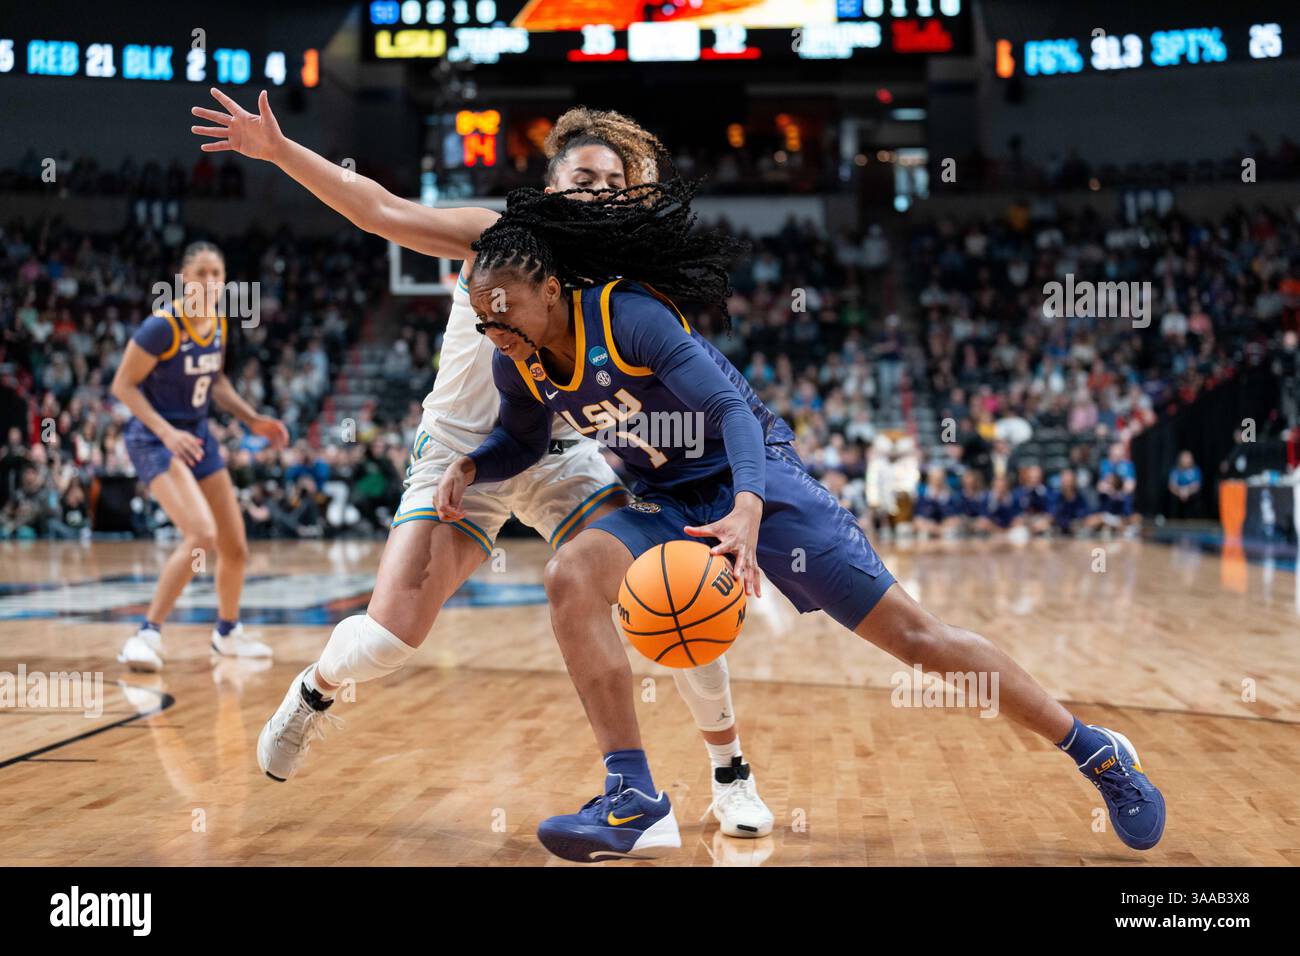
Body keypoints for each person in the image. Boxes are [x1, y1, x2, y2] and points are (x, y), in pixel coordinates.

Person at [436, 181, 1165, 862]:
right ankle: (633, 797)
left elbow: (727, 412)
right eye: (481, 314)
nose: (491, 325)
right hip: (669, 497)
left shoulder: (629, 316)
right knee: (570, 574)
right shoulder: (518, 361)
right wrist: (473, 466)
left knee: (916, 638)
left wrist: (748, 509)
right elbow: (524, 440)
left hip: (758, 476)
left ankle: (1095, 751)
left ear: (553, 290)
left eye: (503, 309)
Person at [192, 90, 773, 838]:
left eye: (608, 181)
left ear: (629, 190)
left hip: (557, 453)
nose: (593, 192)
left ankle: (725, 778)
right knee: (390, 640)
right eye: (579, 179)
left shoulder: (620, 279)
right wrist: (280, 151)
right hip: (461, 456)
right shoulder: (498, 237)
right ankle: (315, 689)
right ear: (551, 185)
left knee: (674, 583)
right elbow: (380, 209)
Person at [112, 241, 289, 671]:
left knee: (235, 546)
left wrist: (251, 419)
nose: (211, 281)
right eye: (202, 273)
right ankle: (146, 634)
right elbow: (123, 387)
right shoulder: (162, 326)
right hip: (155, 439)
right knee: (201, 535)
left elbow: (217, 381)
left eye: (217, 273)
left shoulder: (218, 322)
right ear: (184, 279)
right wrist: (166, 432)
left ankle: (227, 633)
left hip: (197, 436)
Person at [1167, 450, 1202, 520]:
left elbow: (1197, 485)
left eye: (1188, 458)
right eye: (1185, 458)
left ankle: (1194, 519)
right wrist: (1180, 492)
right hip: (1178, 494)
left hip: (1191, 494)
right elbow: (1171, 485)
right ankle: (1173, 519)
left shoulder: (1195, 470)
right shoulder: (1176, 470)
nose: (1186, 461)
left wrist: (1187, 491)